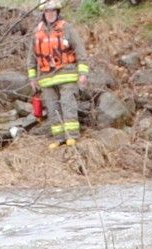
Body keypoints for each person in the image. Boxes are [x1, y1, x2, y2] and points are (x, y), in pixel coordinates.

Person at [27, 0, 90, 148]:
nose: (50, 14)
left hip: (67, 74)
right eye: (48, 11)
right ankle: (59, 138)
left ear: (57, 12)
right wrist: (32, 77)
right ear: (43, 13)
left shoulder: (67, 28)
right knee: (52, 107)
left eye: (53, 11)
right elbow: (31, 57)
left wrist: (83, 73)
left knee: (68, 104)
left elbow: (80, 51)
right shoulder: (37, 32)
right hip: (46, 79)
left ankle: (72, 137)